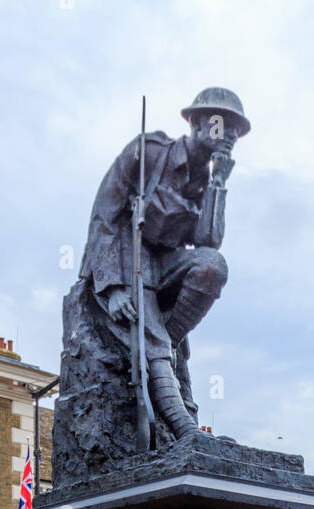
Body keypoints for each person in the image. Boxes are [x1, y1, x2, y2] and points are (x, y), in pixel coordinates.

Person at [77, 87, 250, 437]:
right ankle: (182, 426)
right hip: (128, 258)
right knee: (148, 325)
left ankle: (165, 347)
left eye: (235, 128)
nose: (230, 134)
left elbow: (208, 242)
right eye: (222, 124)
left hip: (165, 262)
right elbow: (104, 215)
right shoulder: (148, 152)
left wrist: (218, 182)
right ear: (197, 123)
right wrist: (111, 287)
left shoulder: (206, 178)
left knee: (213, 266)